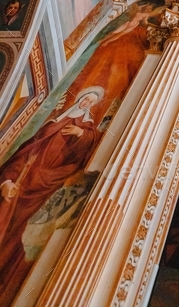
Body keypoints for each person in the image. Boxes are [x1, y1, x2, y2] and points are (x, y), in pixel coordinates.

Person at [0, 87, 104, 302]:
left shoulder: (87, 128)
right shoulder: (57, 119)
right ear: (80, 99)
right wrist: (7, 180)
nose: (85, 103)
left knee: (19, 229)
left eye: (90, 102)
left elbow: (87, 150)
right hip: (23, 178)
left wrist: (81, 134)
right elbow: (29, 148)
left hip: (44, 185)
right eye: (85, 99)